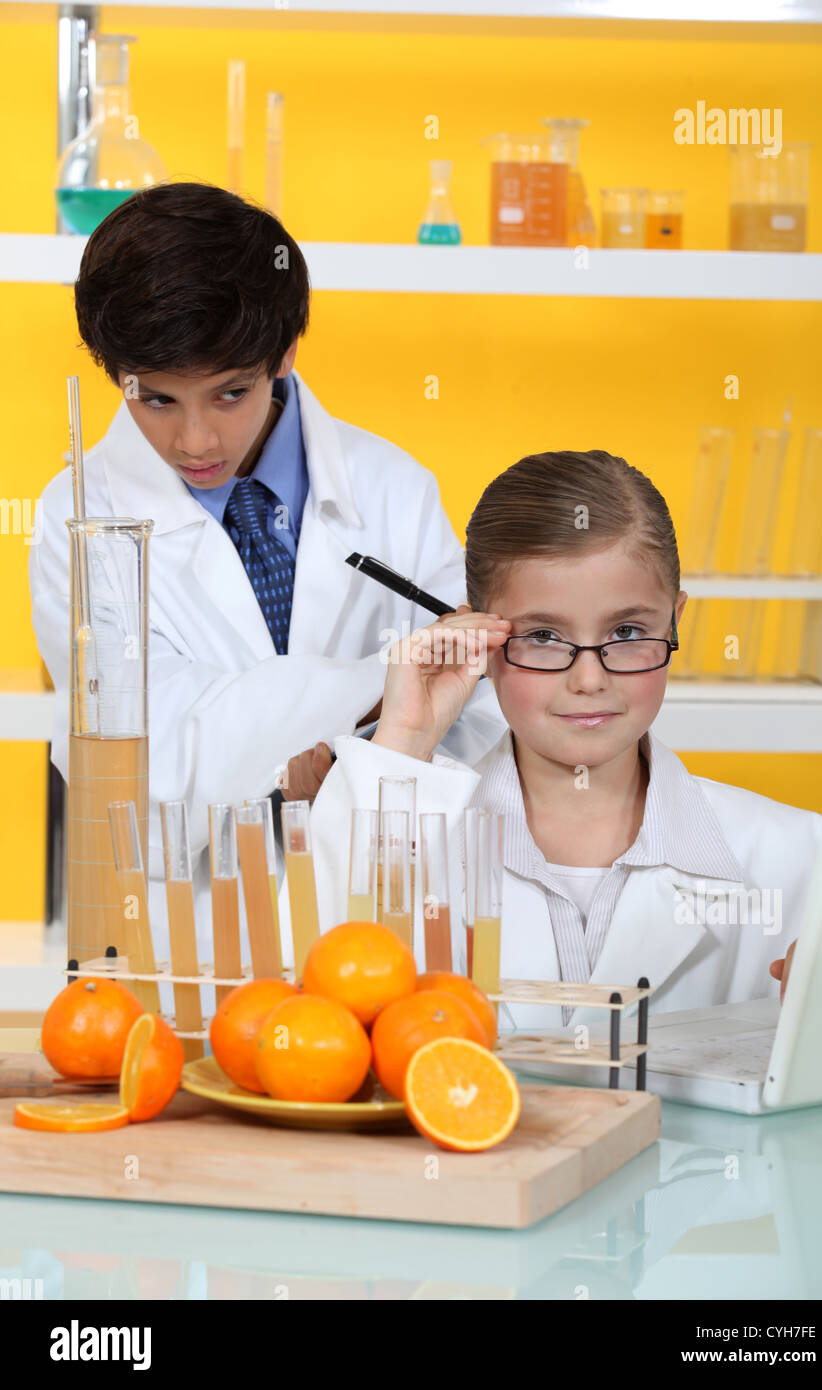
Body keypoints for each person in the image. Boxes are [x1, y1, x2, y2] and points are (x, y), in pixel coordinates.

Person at [29, 182, 505, 962]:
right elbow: (158, 744)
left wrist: (361, 773)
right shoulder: (79, 520)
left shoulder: (392, 489)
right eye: (155, 398)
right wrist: (386, 690)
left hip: (370, 930)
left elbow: (477, 721)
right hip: (179, 945)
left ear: (284, 354)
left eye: (230, 393)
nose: (194, 439)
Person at [310, 450, 822, 1030]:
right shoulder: (403, 834)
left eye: (627, 632)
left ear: (675, 621)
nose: (588, 679)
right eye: (545, 636)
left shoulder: (807, 860)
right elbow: (319, 1014)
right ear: (478, 635)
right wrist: (404, 740)